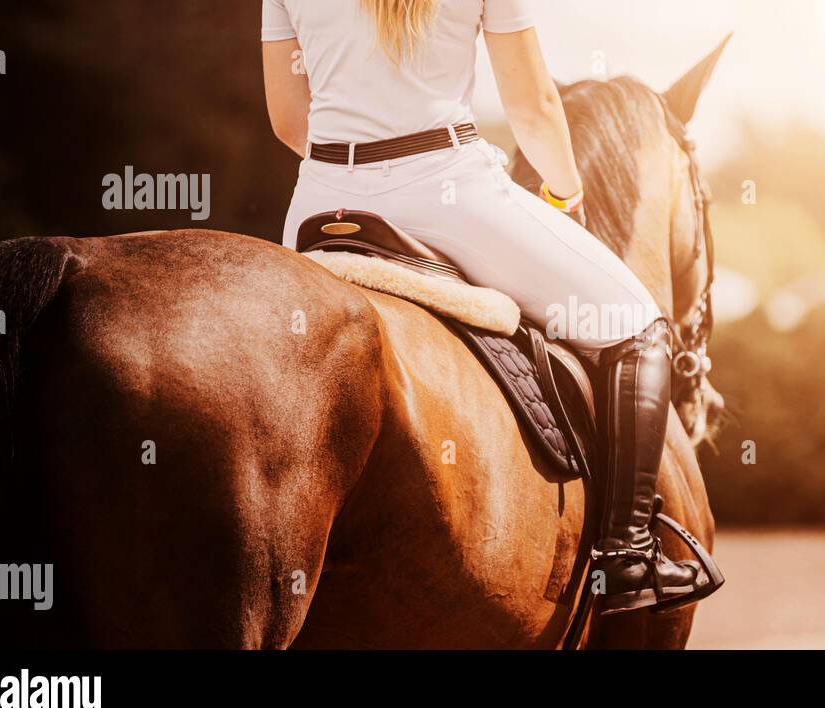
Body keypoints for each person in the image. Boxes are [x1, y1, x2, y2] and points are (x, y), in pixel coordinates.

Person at [261, 0, 717, 615]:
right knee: (634, 323)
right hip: (449, 191)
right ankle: (627, 557)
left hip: (320, 202)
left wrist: (355, 170)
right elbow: (533, 106)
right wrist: (565, 198)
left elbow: (291, 120)